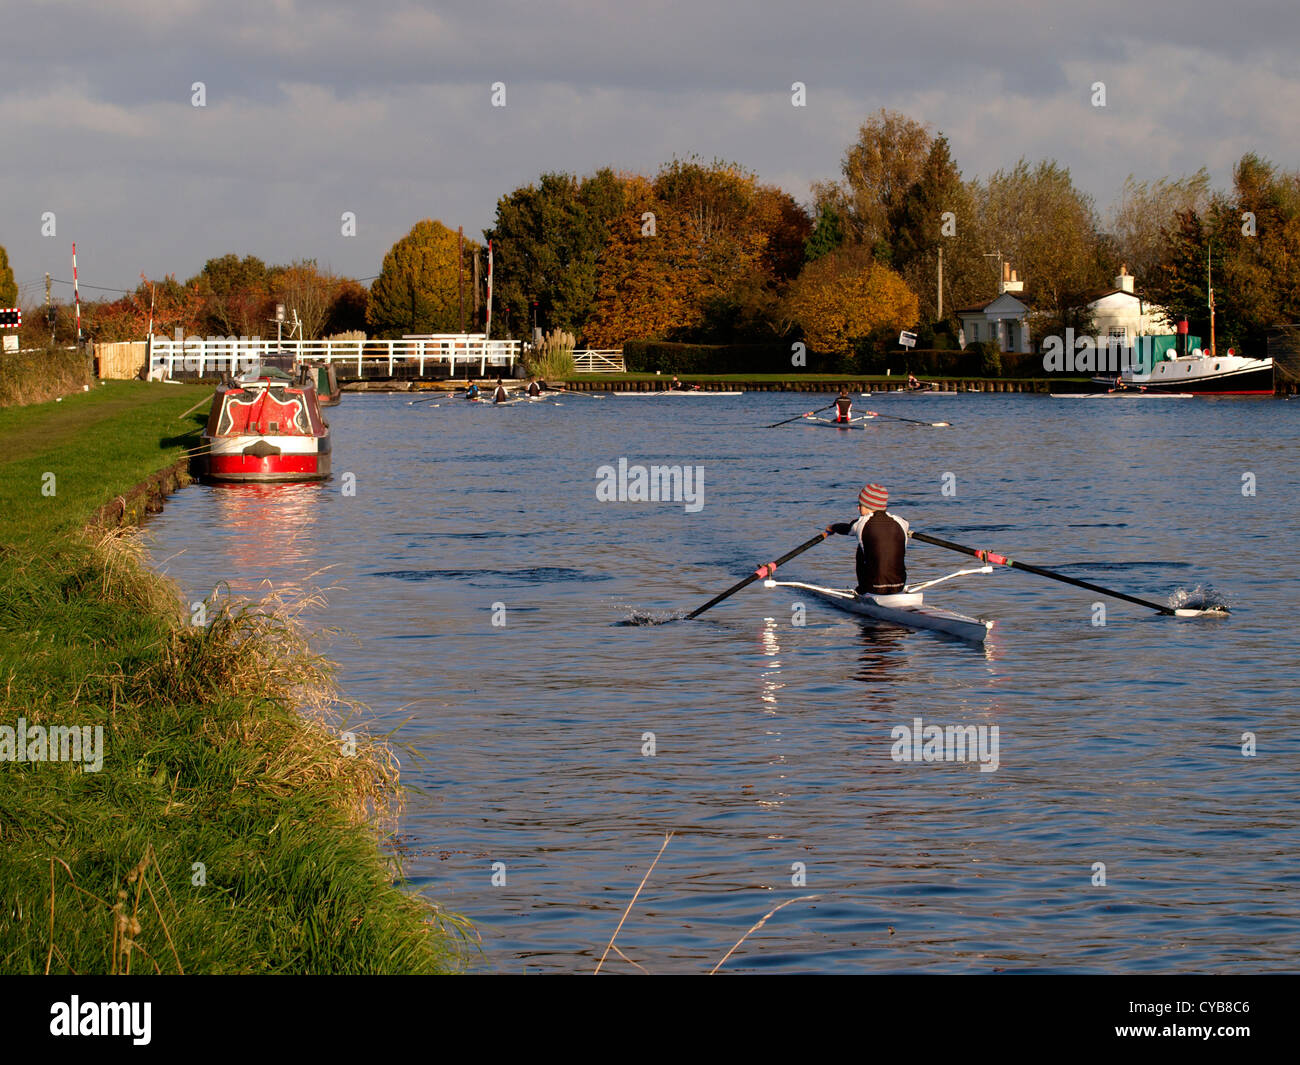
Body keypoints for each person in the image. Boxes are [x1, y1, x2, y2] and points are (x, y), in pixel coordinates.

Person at [826, 483, 909, 596]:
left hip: (873, 588)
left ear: (867, 507)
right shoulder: (901, 522)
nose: (858, 508)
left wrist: (833, 527)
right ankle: (895, 588)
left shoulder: (861, 523)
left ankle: (862, 590)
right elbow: (905, 522)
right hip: (899, 586)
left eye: (860, 505)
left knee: (862, 547)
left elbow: (847, 529)